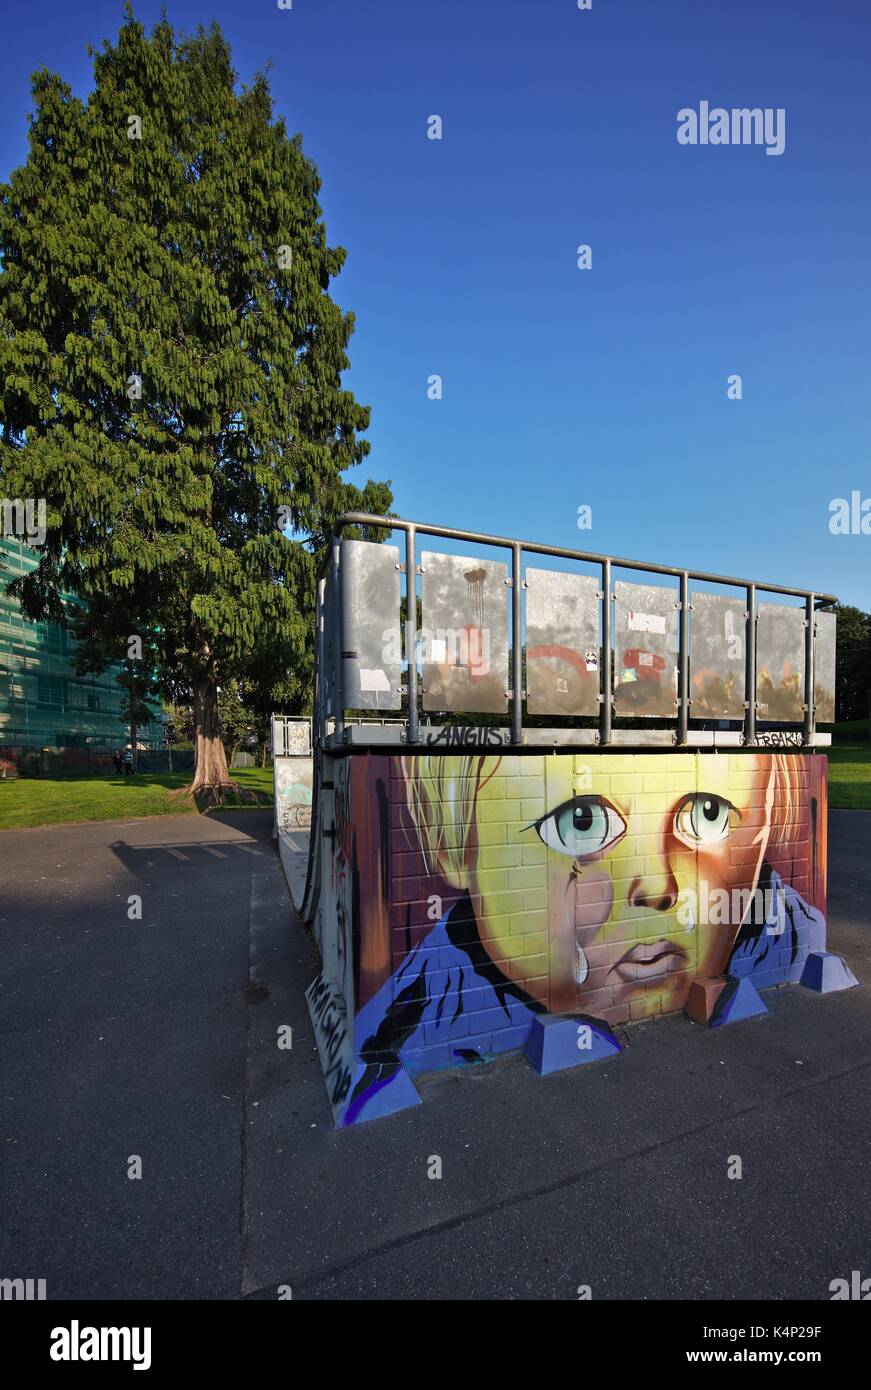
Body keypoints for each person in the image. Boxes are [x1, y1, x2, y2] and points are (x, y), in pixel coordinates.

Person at [343, 751, 824, 1123]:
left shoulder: (798, 936)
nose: (659, 887)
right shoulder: (402, 1029)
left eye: (708, 814)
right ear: (452, 846)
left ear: (762, 825)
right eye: (581, 822)